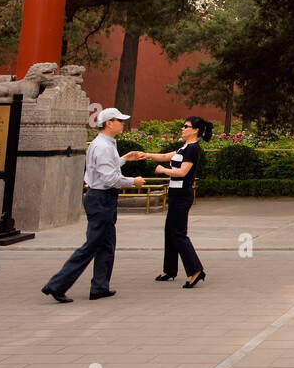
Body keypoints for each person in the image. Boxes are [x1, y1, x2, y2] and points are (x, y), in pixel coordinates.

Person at [42, 108, 144, 302]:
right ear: (108, 123)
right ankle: (57, 285)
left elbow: (103, 170)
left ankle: (99, 286)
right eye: (119, 120)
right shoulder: (104, 147)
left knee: (106, 244)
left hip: (100, 197)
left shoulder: (104, 144)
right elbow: (109, 178)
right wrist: (133, 181)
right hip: (102, 198)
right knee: (92, 245)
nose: (123, 123)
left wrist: (124, 159)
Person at [138, 116, 211, 288]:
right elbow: (165, 156)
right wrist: (146, 155)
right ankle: (169, 270)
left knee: (178, 233)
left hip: (182, 196)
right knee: (170, 231)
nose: (182, 129)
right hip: (175, 194)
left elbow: (183, 172)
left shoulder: (193, 149)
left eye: (186, 126)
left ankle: (196, 270)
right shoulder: (184, 147)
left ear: (195, 130)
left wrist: (163, 170)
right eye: (183, 126)